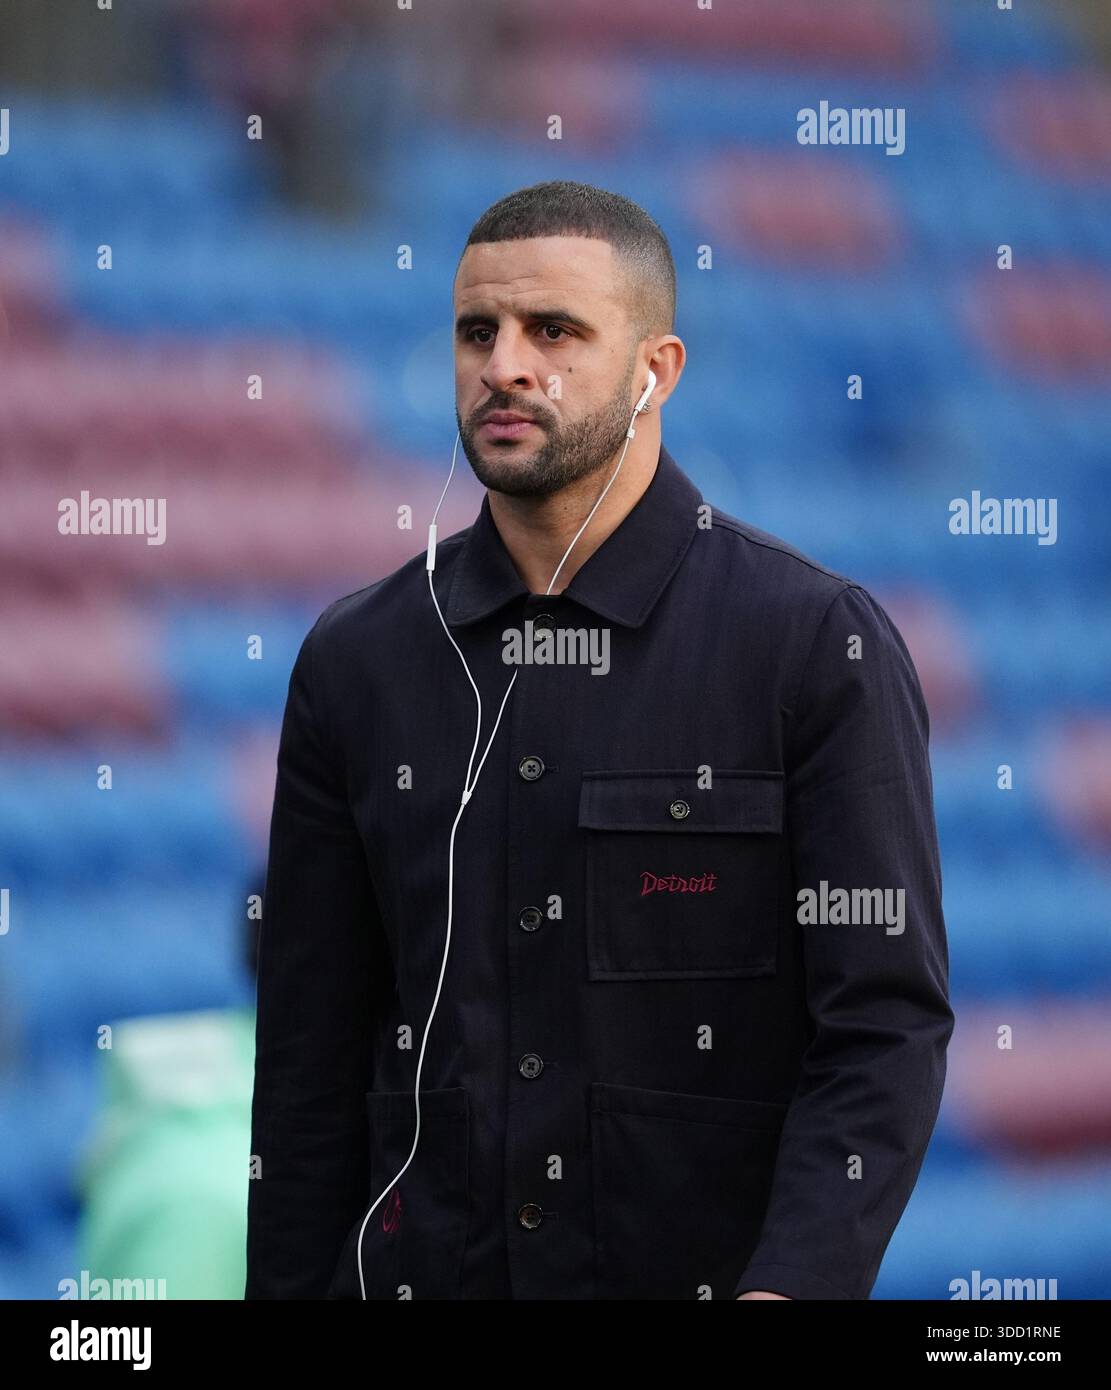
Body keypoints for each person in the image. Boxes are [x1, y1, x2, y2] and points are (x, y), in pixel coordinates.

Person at [245, 179, 954, 1301]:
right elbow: (304, 1069)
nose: (505, 365)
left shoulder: (814, 645)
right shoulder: (354, 661)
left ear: (654, 369)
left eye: (554, 331)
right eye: (478, 332)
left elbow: (881, 1029)